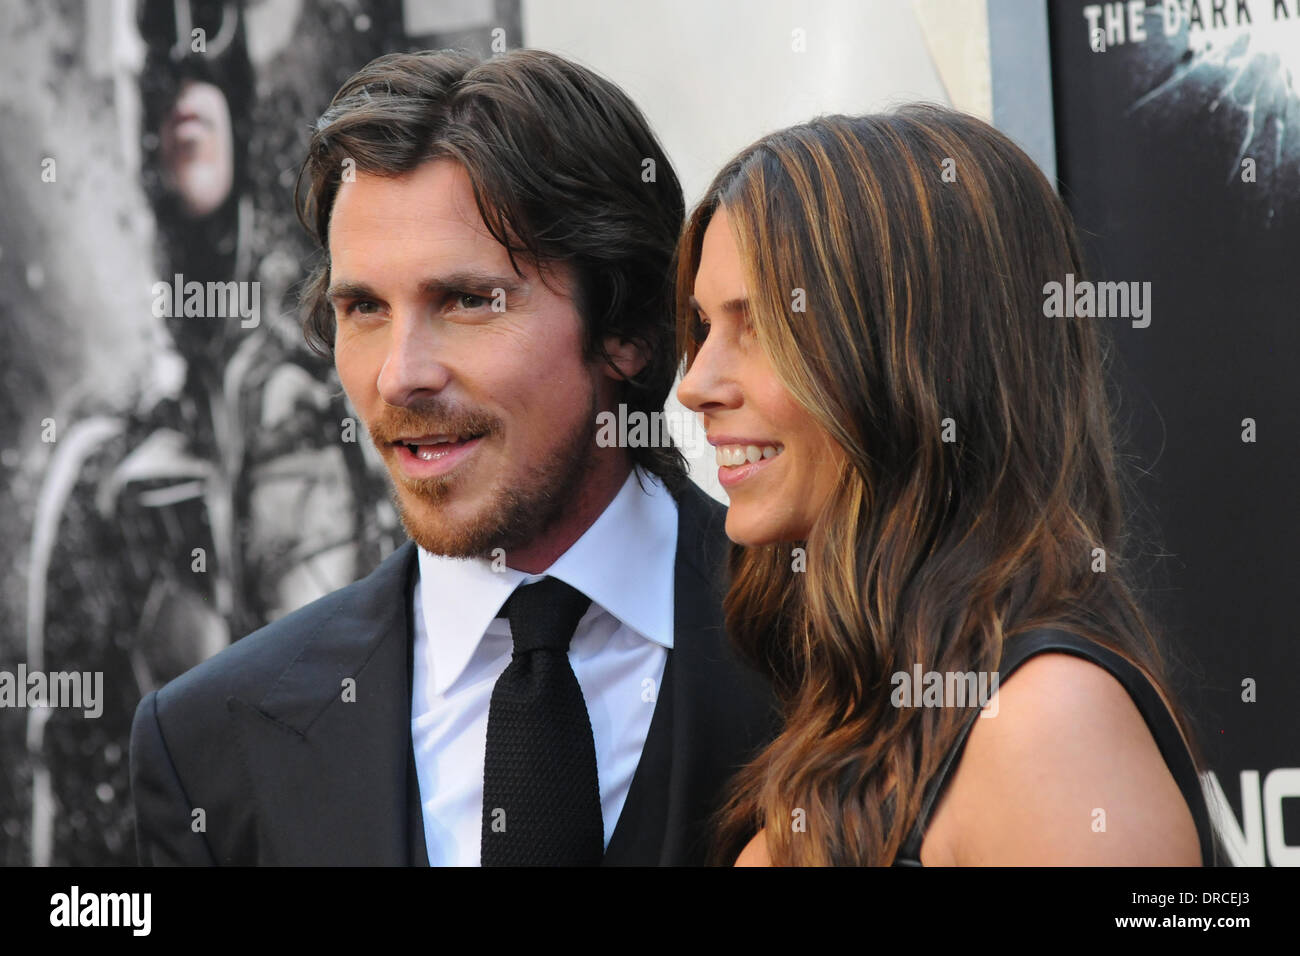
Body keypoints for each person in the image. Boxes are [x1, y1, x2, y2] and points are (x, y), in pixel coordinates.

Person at [129, 48, 778, 866]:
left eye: (468, 301)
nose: (401, 375)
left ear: (628, 329)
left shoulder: (844, 639)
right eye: (363, 308)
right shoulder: (210, 746)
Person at [675, 105, 1221, 866]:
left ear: (921, 364)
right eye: (703, 326)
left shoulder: (1042, 720)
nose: (695, 384)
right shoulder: (866, 704)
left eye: (760, 323)